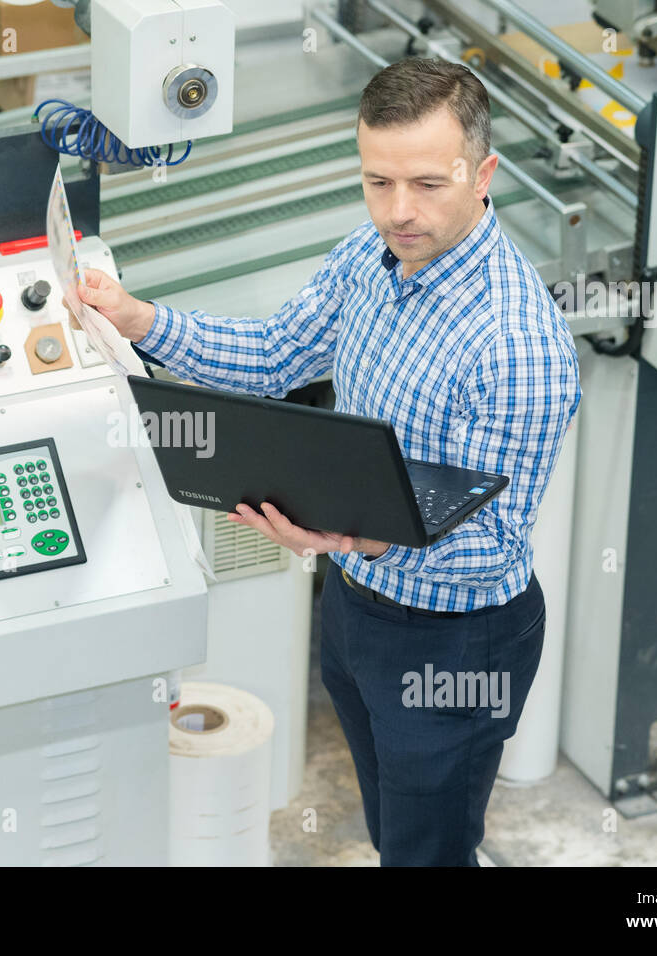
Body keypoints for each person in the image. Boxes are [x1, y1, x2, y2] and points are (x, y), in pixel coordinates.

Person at [76, 57, 581, 865]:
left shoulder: (514, 342)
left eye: (424, 184)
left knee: (428, 848)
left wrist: (358, 534)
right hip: (355, 608)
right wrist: (140, 320)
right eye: (377, 182)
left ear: (482, 173)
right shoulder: (373, 258)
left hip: (454, 642)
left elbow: (492, 545)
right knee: (393, 828)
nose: (398, 211)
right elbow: (277, 355)